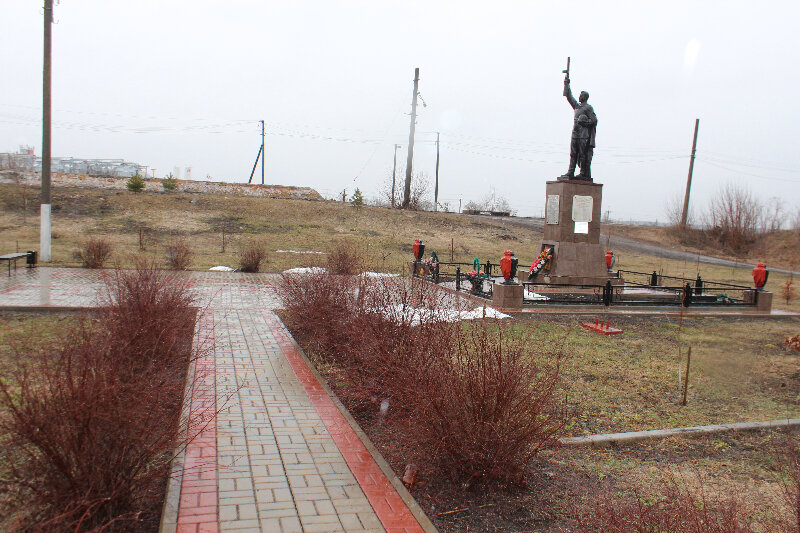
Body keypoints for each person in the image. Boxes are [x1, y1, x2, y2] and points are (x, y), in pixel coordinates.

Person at [559, 77, 597, 181]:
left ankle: (583, 173)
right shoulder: (577, 107)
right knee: (573, 153)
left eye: (581, 95)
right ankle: (571, 171)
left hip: (583, 135)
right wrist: (567, 84)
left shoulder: (588, 108)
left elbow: (594, 121)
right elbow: (569, 97)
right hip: (575, 133)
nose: (579, 97)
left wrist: (585, 123)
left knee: (582, 154)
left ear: (585, 97)